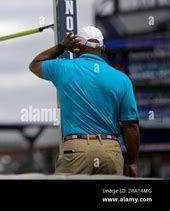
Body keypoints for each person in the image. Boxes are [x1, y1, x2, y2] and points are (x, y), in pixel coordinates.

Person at [29, 26, 140, 176]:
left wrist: (62, 46)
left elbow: (35, 65)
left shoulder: (63, 68)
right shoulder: (122, 79)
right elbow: (130, 125)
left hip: (76, 149)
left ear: (77, 47)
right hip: (110, 150)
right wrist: (132, 162)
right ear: (103, 48)